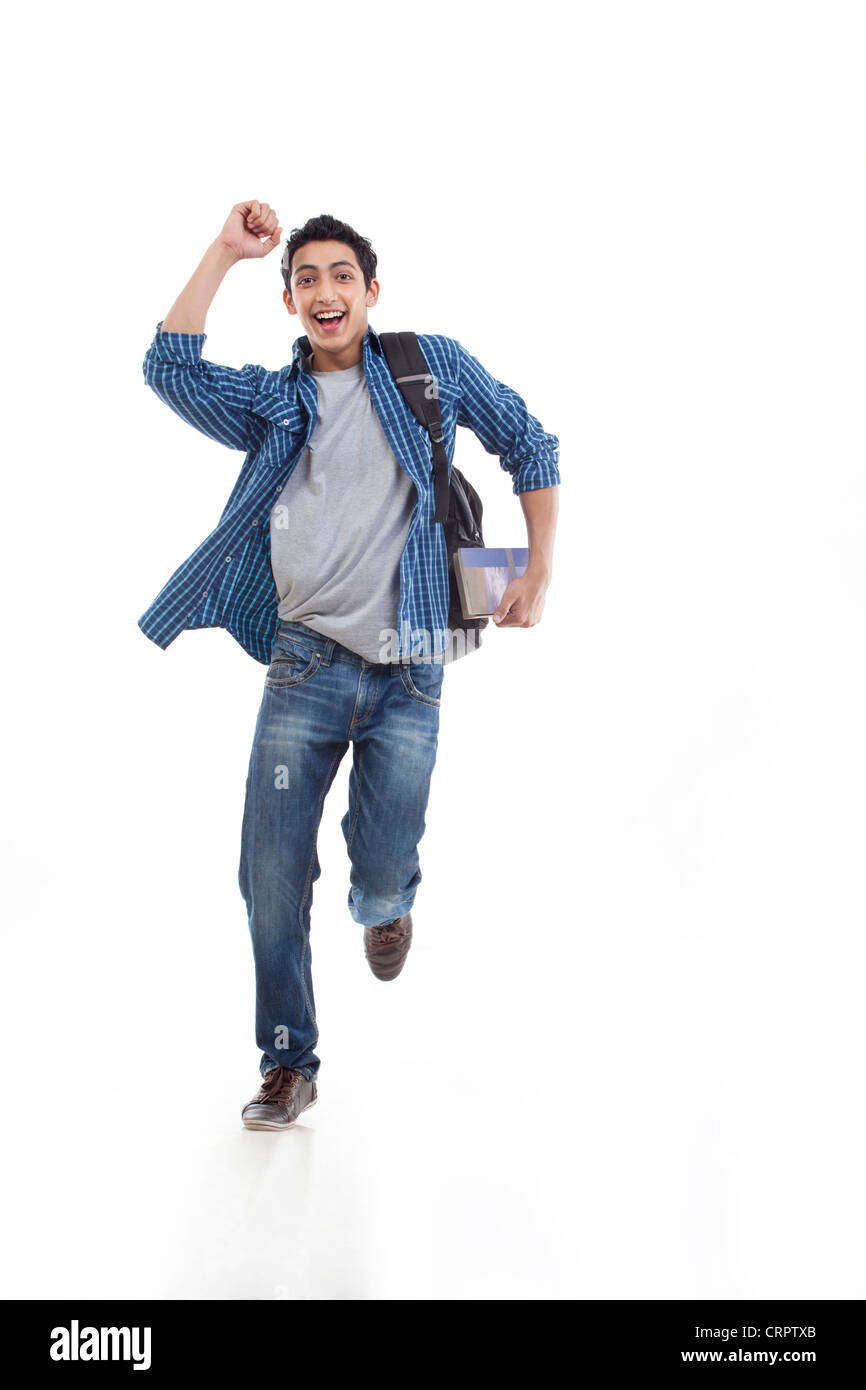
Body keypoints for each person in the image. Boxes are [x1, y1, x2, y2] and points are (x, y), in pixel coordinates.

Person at [140, 201, 561, 1130]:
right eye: (304, 280)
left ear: (372, 292)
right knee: (270, 872)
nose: (324, 292)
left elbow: (530, 441)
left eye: (340, 277)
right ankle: (289, 1061)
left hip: (413, 662)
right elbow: (166, 366)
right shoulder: (273, 399)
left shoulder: (431, 367)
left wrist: (535, 569)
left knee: (376, 872)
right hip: (305, 664)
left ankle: (389, 902)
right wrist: (224, 251)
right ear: (289, 301)